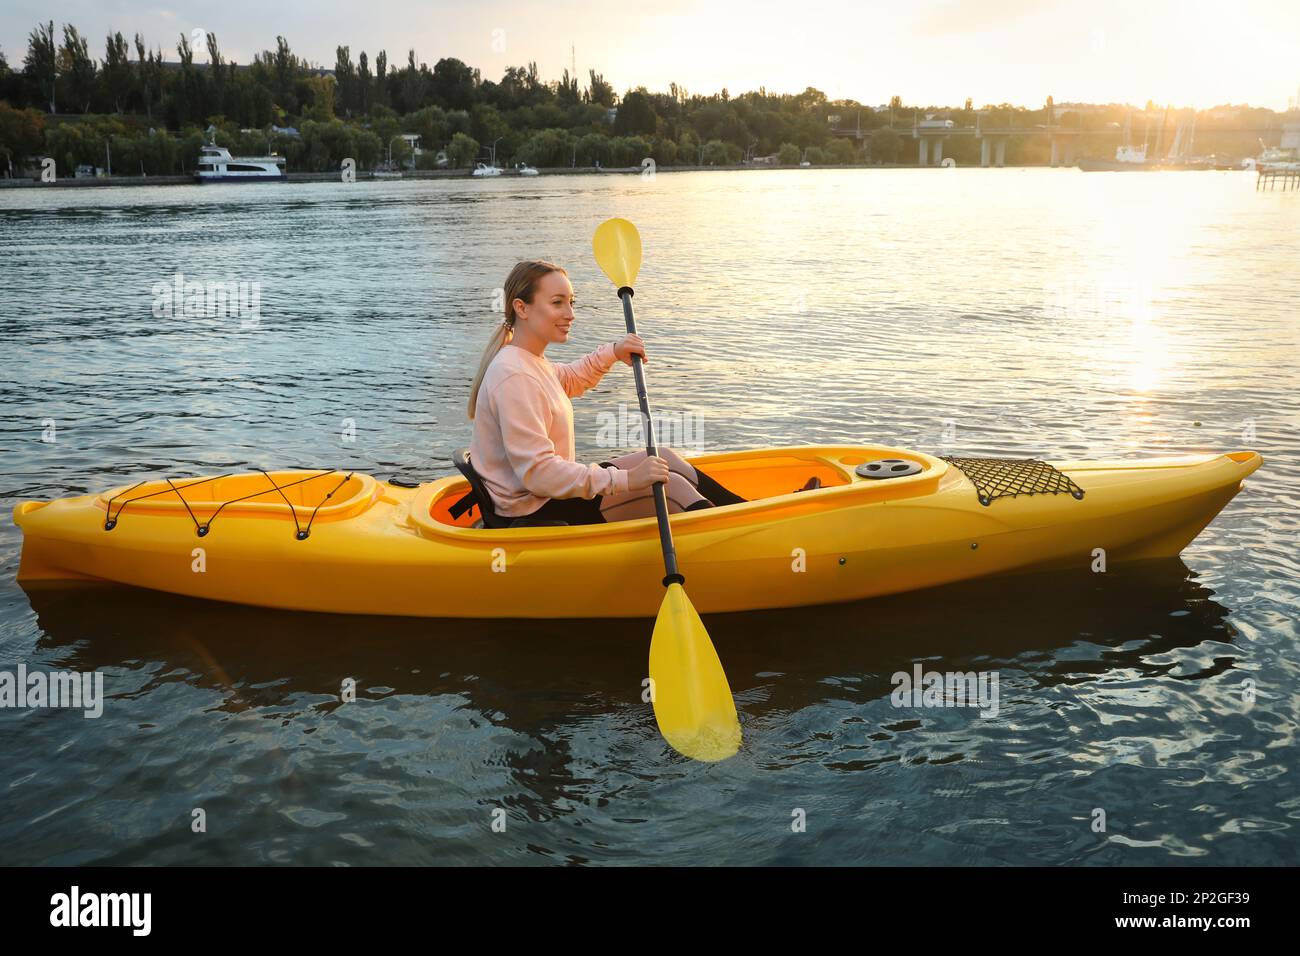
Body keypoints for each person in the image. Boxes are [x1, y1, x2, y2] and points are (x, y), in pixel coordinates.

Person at [466, 259, 746, 526]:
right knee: (671, 487)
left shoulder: (528, 360)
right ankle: (738, 533)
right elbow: (539, 474)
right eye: (557, 303)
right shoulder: (514, 375)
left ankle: (749, 510)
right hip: (535, 509)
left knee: (664, 457)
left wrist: (613, 352)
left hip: (546, 493)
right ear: (522, 308)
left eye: (571, 302)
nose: (570, 314)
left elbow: (570, 379)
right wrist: (626, 480)